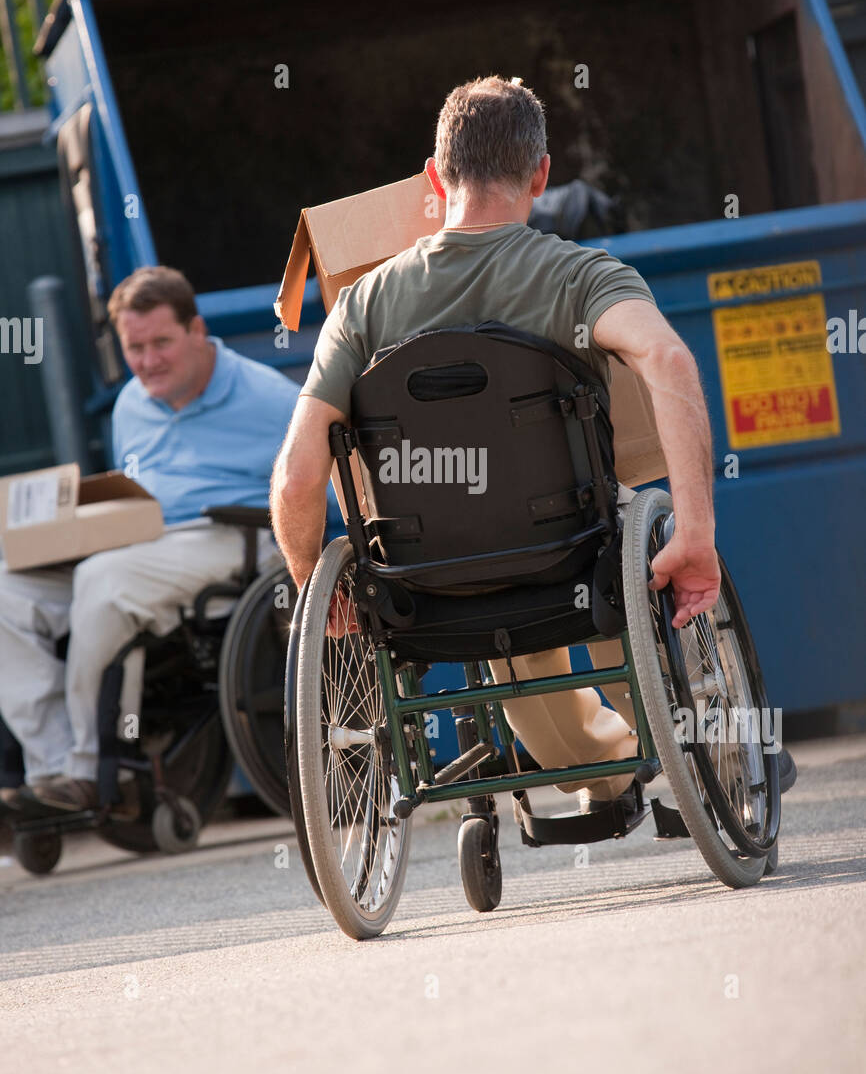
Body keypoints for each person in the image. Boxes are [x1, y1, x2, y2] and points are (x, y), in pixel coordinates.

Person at [270, 76, 795, 803]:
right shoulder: (579, 276)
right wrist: (697, 531)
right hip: (572, 545)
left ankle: (606, 779)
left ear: (434, 177)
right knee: (627, 540)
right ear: (542, 174)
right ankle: (699, 746)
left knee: (524, 658)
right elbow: (670, 361)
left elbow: (298, 478)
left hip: (431, 576)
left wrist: (312, 589)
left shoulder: (363, 305)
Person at [0, 266, 301, 813]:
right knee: (7, 588)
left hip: (231, 537)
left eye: (161, 342)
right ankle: (53, 769)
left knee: (105, 579)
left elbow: (324, 494)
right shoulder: (131, 404)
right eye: (134, 348)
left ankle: (90, 768)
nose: (147, 362)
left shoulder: (270, 398)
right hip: (142, 542)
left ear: (196, 330)